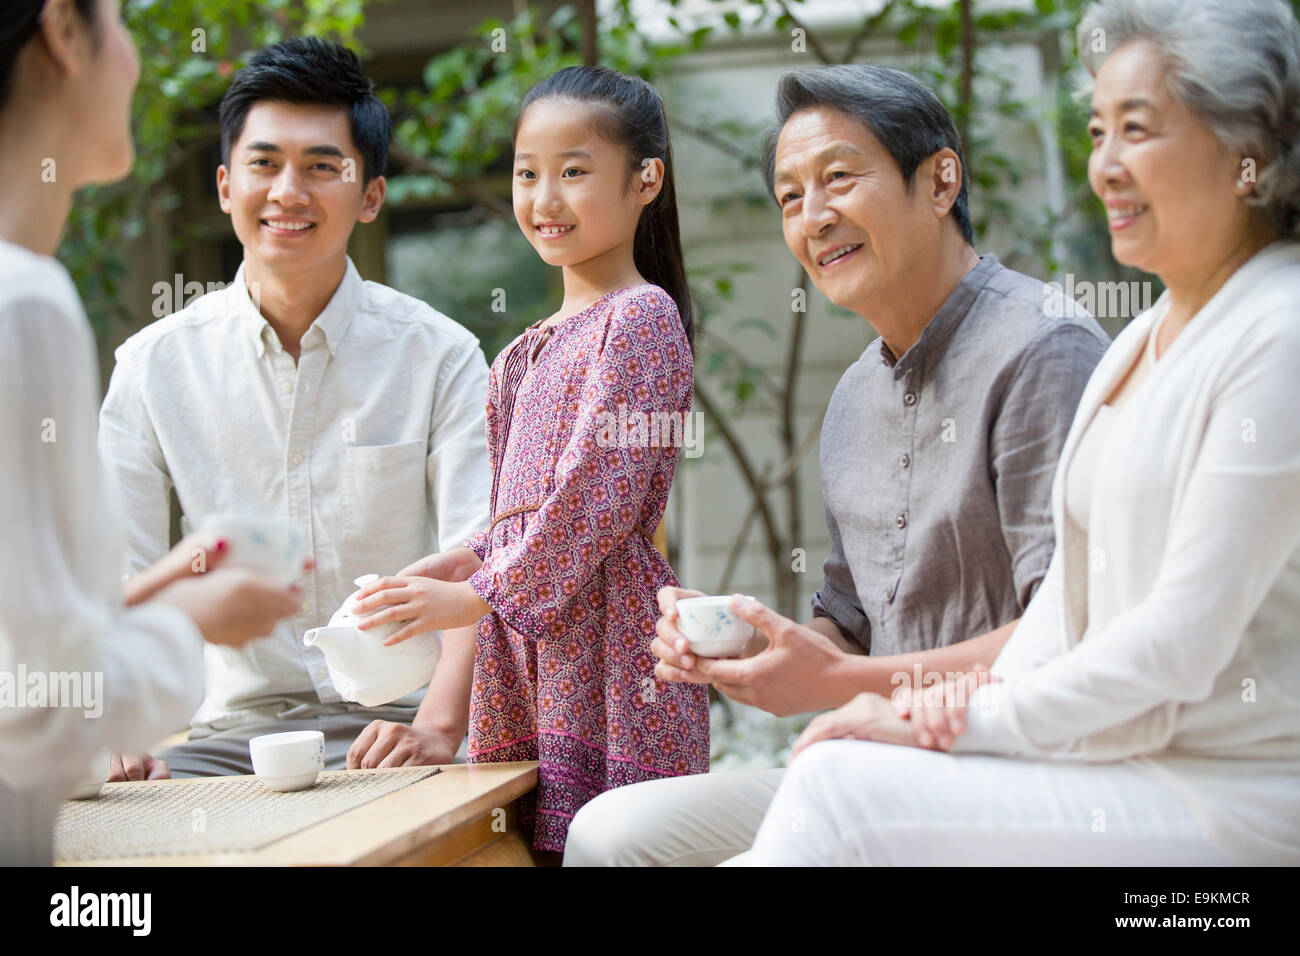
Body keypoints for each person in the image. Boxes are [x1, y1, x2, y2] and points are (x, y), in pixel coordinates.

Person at [738, 0, 1300, 866]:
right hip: (1108, 765)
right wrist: (899, 707)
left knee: (835, 792)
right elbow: (1063, 619)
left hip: (1223, 794)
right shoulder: (1145, 340)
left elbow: (1178, 647)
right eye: (1098, 130)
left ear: (1246, 151)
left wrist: (952, 716)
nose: (1105, 165)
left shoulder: (1276, 332)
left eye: (1138, 130)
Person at [564, 64, 1110, 866]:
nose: (814, 217)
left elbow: (1067, 639)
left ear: (939, 179)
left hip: (1017, 769)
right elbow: (849, 626)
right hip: (879, 763)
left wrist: (835, 685)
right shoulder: (856, 396)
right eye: (790, 197)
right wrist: (759, 649)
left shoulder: (1041, 348)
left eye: (839, 179)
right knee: (609, 832)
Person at [97, 37, 492, 780]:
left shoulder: (440, 355)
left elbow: (485, 563)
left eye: (321, 167)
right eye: (264, 163)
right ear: (224, 185)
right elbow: (120, 567)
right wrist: (120, 729)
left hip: (404, 728)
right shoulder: (153, 368)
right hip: (223, 740)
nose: (288, 191)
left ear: (370, 195)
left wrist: (440, 728)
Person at [350, 66, 709, 855]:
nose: (544, 200)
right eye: (527, 174)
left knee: (610, 846)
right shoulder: (517, 354)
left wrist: (477, 596)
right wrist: (461, 560)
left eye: (574, 172)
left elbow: (594, 504)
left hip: (617, 658)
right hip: (527, 654)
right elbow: (516, 518)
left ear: (646, 179)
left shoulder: (642, 317)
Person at [0, 0, 300, 865]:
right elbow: (38, 708)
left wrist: (160, 586)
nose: (132, 58)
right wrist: (197, 621)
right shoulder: (25, 301)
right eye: (122, 21)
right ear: (63, 30)